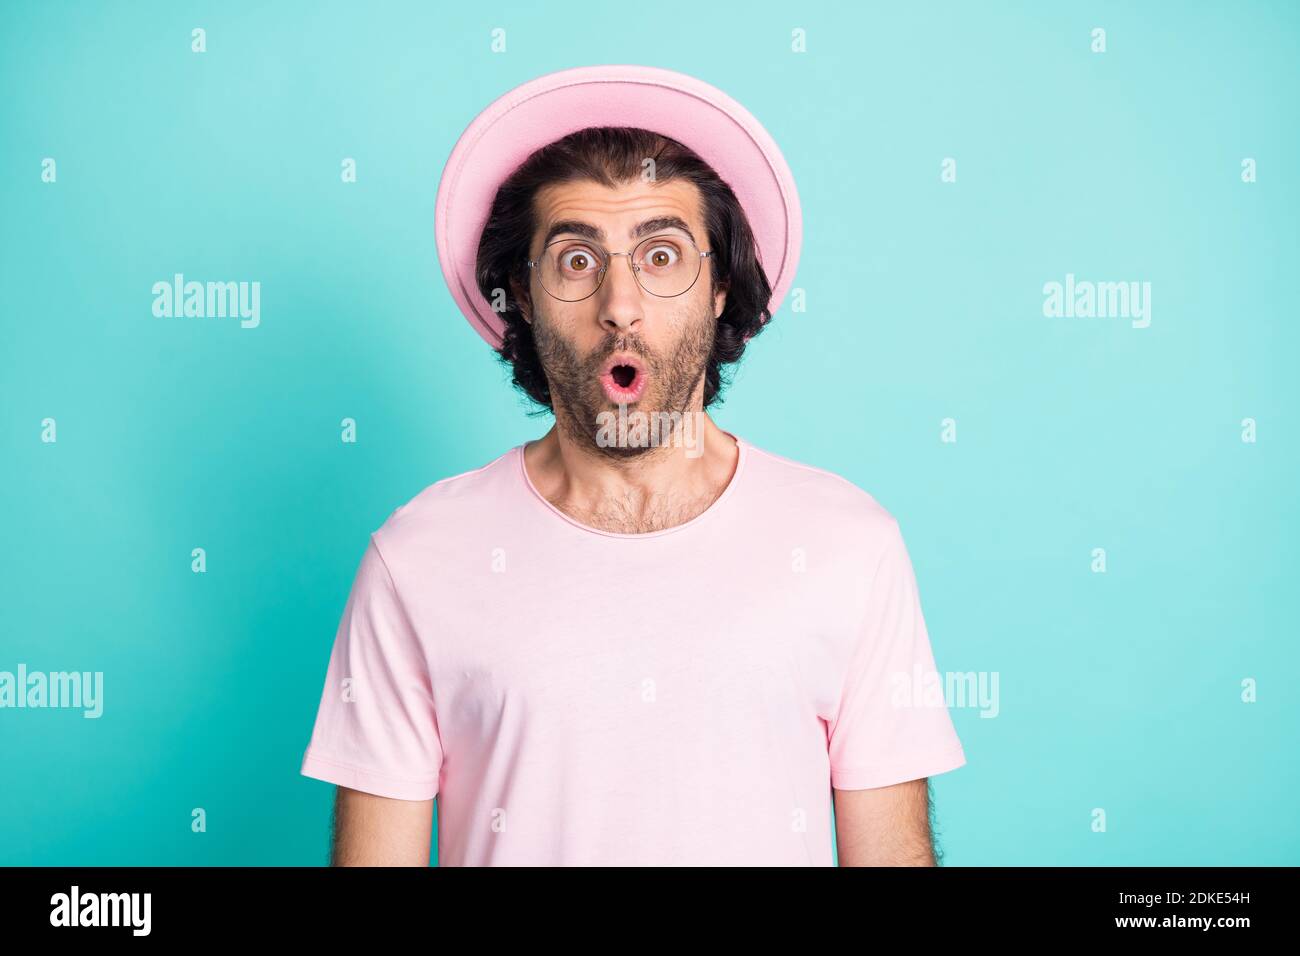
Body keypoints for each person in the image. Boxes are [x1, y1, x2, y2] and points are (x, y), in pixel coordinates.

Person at [300, 65, 966, 866]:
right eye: (577, 261)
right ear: (525, 294)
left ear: (720, 286)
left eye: (660, 254)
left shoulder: (850, 547)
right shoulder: (415, 559)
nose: (621, 302)